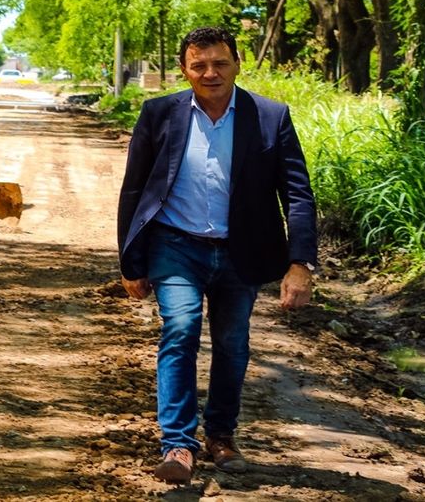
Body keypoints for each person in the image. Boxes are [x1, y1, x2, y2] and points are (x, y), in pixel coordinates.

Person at [116, 26, 318, 484]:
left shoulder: (270, 116)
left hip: (241, 251)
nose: (211, 73)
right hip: (175, 244)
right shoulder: (158, 113)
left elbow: (298, 194)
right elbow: (135, 189)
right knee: (181, 328)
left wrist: (301, 263)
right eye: (199, 65)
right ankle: (178, 444)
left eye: (220, 63)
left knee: (232, 345)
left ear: (237, 64)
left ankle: (221, 436)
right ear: (185, 70)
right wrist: (131, 260)